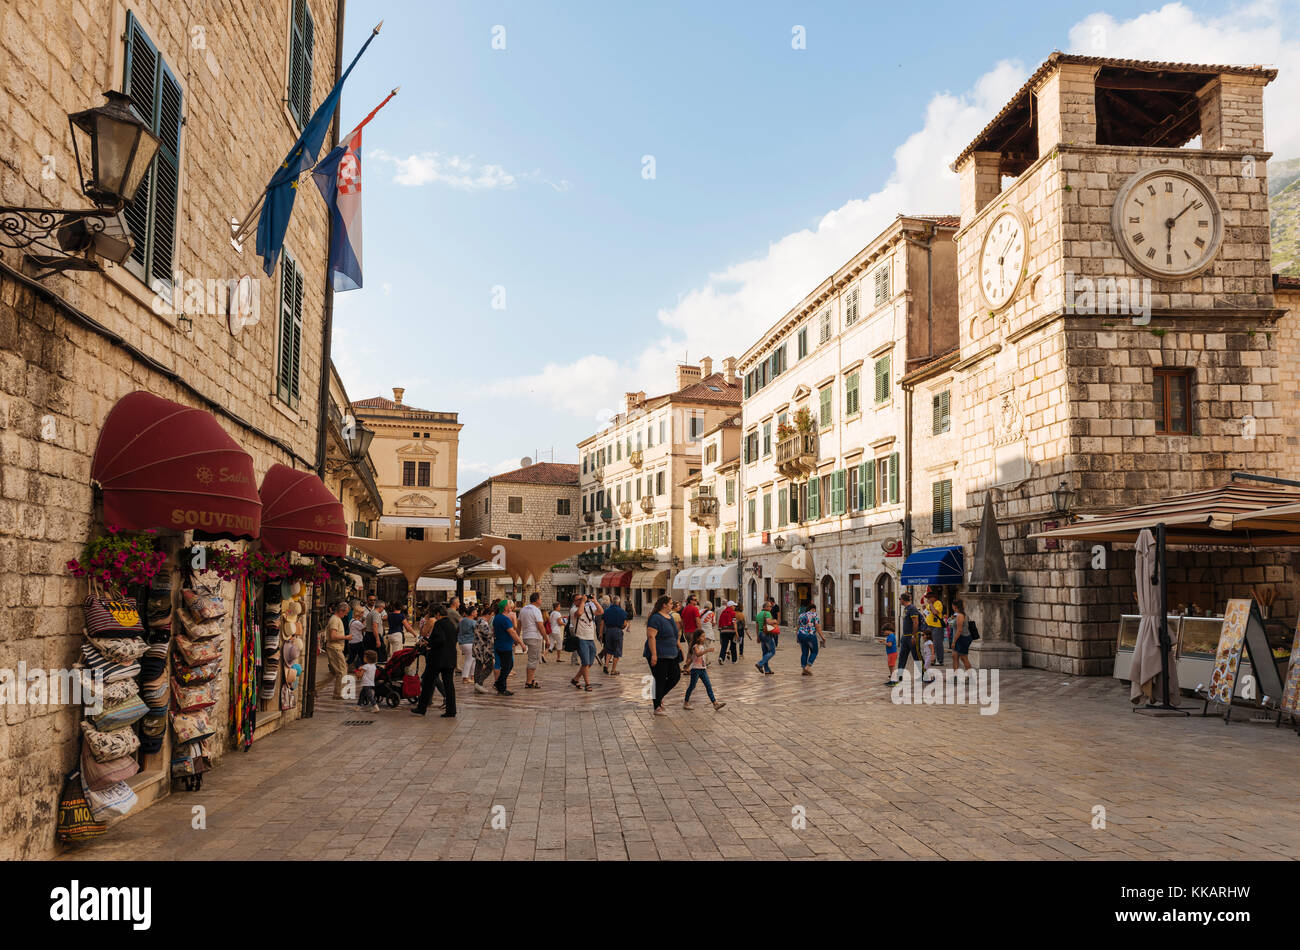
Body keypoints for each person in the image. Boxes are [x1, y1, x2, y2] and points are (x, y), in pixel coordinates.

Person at [414, 605, 458, 717]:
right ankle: (451, 710)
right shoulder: (451, 624)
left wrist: (429, 643)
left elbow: (439, 640)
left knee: (428, 682)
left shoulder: (439, 624)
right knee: (449, 685)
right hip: (450, 658)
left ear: (438, 613)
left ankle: (421, 707)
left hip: (438, 659)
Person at [643, 595, 682, 716]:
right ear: (664, 605)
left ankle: (658, 697)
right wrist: (654, 654)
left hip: (672, 653)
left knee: (675, 676)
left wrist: (679, 648)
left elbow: (674, 635)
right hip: (659, 654)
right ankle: (657, 706)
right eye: (670, 603)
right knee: (659, 679)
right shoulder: (655, 618)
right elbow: (651, 637)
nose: (672, 605)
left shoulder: (670, 617)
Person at [682, 630, 726, 711]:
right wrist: (707, 650)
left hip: (703, 669)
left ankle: (715, 703)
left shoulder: (702, 646)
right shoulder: (695, 646)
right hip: (696, 670)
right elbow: (698, 654)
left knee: (708, 685)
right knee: (692, 686)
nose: (704, 637)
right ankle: (686, 702)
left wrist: (687, 665)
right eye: (702, 636)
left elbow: (693, 658)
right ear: (698, 638)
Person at [569, 592, 600, 691]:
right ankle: (587, 684)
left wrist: (594, 601)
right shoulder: (573, 609)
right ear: (574, 602)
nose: (581, 600)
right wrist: (583, 602)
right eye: (578, 599)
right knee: (585, 662)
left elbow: (601, 611)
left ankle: (576, 678)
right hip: (581, 638)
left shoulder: (588, 608)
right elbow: (578, 613)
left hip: (590, 638)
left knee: (589, 663)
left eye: (581, 598)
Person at [492, 599, 523, 695]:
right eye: (509, 605)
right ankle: (500, 686)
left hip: (499, 644)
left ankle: (500, 685)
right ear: (505, 608)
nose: (511, 606)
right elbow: (512, 632)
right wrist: (521, 643)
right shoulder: (505, 619)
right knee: (507, 667)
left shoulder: (496, 617)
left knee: (506, 666)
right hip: (505, 646)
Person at [519, 592, 547, 688]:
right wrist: (546, 638)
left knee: (532, 658)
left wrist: (518, 637)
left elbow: (519, 624)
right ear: (536, 600)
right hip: (534, 636)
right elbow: (540, 626)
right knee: (533, 659)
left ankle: (531, 679)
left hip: (526, 635)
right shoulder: (536, 610)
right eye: (540, 599)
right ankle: (529, 681)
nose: (541, 600)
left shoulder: (523, 609)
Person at [894, 593, 923, 683]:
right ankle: (899, 675)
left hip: (912, 636)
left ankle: (924, 674)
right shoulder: (906, 609)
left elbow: (915, 623)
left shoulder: (912, 608)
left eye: (900, 599)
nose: (899, 601)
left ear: (903, 599)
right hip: (905, 637)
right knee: (902, 656)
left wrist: (914, 636)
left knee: (917, 656)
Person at [325, 601, 349, 698]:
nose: (346, 614)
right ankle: (339, 694)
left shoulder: (336, 619)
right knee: (342, 671)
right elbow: (333, 636)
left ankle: (315, 688)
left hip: (335, 648)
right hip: (335, 648)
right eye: (346, 612)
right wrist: (346, 637)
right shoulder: (335, 620)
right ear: (341, 611)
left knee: (333, 673)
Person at [796, 601, 825, 675]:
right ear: (813, 609)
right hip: (810, 635)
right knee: (814, 651)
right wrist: (822, 637)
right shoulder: (814, 615)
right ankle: (807, 668)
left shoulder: (801, 615)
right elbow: (817, 626)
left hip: (801, 635)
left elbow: (798, 627)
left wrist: (797, 637)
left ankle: (803, 670)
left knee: (804, 652)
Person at [601, 595, 627, 675]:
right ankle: (613, 670)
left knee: (609, 650)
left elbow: (602, 623)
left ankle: (606, 665)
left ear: (612, 602)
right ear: (619, 602)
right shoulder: (622, 611)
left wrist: (600, 633)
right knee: (617, 651)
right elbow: (624, 624)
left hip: (608, 631)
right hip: (617, 631)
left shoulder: (606, 611)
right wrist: (622, 627)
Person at [472, 609, 495, 694]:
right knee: (490, 666)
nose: (491, 617)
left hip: (478, 647)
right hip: (483, 649)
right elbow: (489, 634)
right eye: (491, 615)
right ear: (488, 614)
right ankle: (479, 683)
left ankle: (477, 685)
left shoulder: (478, 621)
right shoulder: (483, 623)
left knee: (478, 666)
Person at [755, 600, 780, 674]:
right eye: (770, 606)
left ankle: (767, 670)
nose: (771, 607)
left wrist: (757, 637)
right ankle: (760, 664)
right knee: (772, 651)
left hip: (760, 633)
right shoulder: (767, 613)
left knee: (765, 652)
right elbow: (769, 622)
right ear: (765, 607)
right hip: (766, 633)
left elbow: (757, 626)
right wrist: (775, 621)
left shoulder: (758, 614)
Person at [457, 604, 479, 684]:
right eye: (476, 612)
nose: (477, 613)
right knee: (469, 660)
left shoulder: (461, 620)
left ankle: (473, 676)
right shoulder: (473, 622)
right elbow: (477, 632)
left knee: (473, 659)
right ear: (472, 613)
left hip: (461, 642)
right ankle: (465, 677)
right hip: (469, 642)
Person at [950, 599, 973, 671]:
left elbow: (959, 630)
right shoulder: (956, 615)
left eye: (952, 606)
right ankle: (955, 676)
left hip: (962, 638)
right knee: (954, 656)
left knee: (963, 658)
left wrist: (954, 641)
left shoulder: (960, 615)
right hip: (959, 637)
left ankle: (970, 676)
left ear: (955, 606)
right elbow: (950, 623)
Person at [924, 591, 945, 666]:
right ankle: (932, 659)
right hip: (929, 625)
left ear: (934, 598)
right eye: (927, 598)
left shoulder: (938, 603)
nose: (928, 599)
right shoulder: (929, 604)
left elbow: (935, 612)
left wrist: (930, 604)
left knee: (937, 643)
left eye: (929, 598)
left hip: (937, 626)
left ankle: (939, 660)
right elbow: (926, 613)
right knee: (930, 643)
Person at [347, 602, 365, 668]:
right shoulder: (357, 622)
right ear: (358, 613)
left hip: (352, 642)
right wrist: (364, 622)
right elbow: (364, 628)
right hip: (357, 642)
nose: (363, 614)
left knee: (352, 658)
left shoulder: (352, 620)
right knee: (362, 657)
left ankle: (344, 667)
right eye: (362, 612)